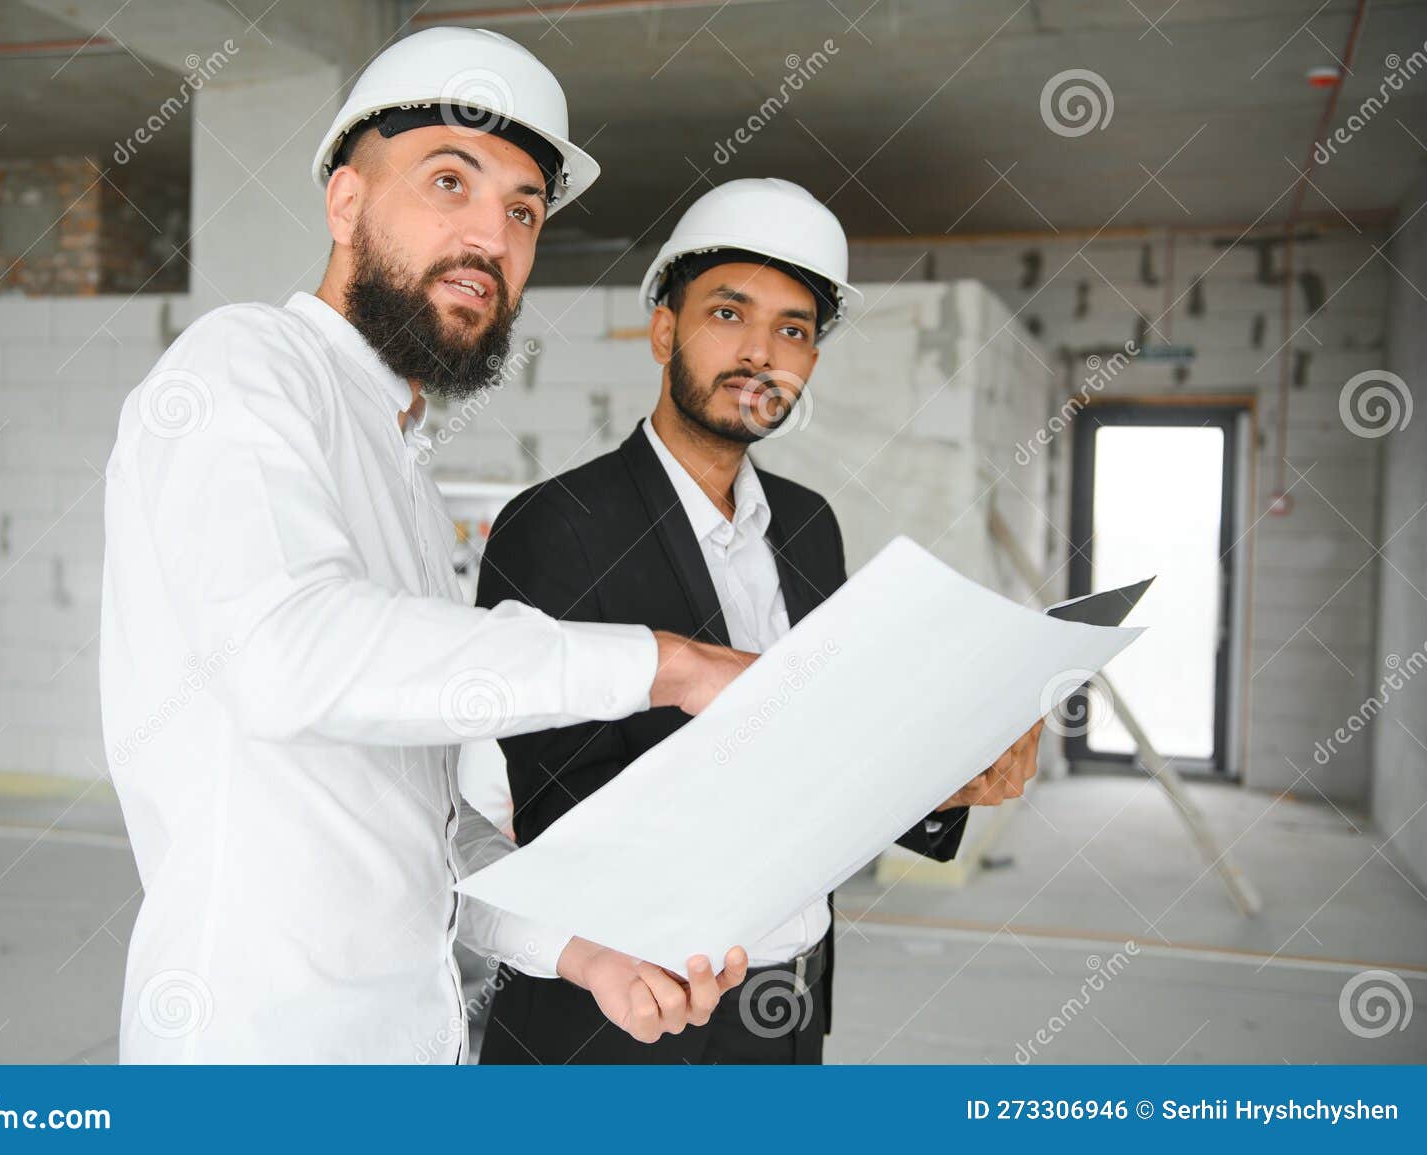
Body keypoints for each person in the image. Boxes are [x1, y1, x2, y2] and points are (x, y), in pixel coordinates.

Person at [99, 26, 751, 1064]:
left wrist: (586, 952)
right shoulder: (240, 370)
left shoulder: (400, 466)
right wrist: (666, 664)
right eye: (451, 181)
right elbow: (286, 658)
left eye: (523, 211)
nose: (491, 238)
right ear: (346, 202)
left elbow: (423, 831)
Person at [474, 178, 1046, 1064]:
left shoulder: (811, 525)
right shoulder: (559, 526)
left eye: (793, 330)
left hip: (782, 1008)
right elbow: (554, 812)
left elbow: (837, 743)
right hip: (619, 1021)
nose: (761, 354)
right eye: (729, 313)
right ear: (665, 328)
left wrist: (938, 780)